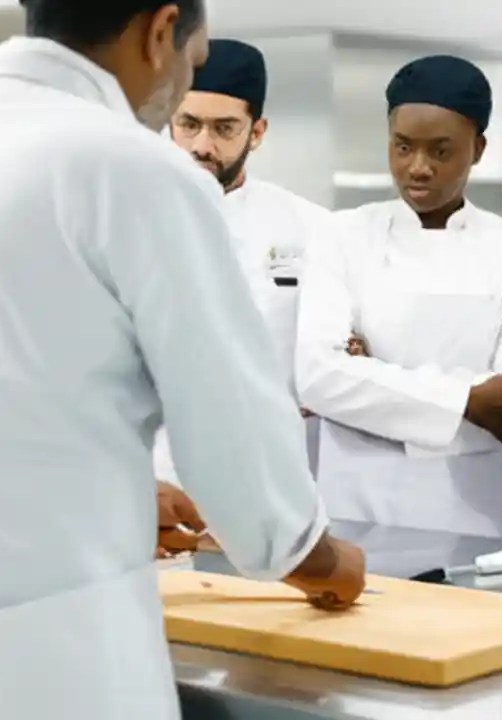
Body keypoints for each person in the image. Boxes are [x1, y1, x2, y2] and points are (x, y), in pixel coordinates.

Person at [0, 2, 365, 719]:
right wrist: (320, 558)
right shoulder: (135, 169)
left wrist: (113, 491)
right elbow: (236, 450)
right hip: (23, 657)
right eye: (195, 58)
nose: (185, 83)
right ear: (160, 31)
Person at [295, 55, 502, 538]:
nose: (418, 168)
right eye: (402, 147)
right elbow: (319, 378)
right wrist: (467, 399)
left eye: (441, 151)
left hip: (470, 511)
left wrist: (371, 385)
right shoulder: (342, 234)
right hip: (353, 508)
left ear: (477, 149)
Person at [156, 38, 330, 486]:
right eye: (188, 124)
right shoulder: (123, 216)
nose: (202, 145)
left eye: (225, 129)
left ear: (257, 132)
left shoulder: (312, 228)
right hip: (155, 470)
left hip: (271, 470)